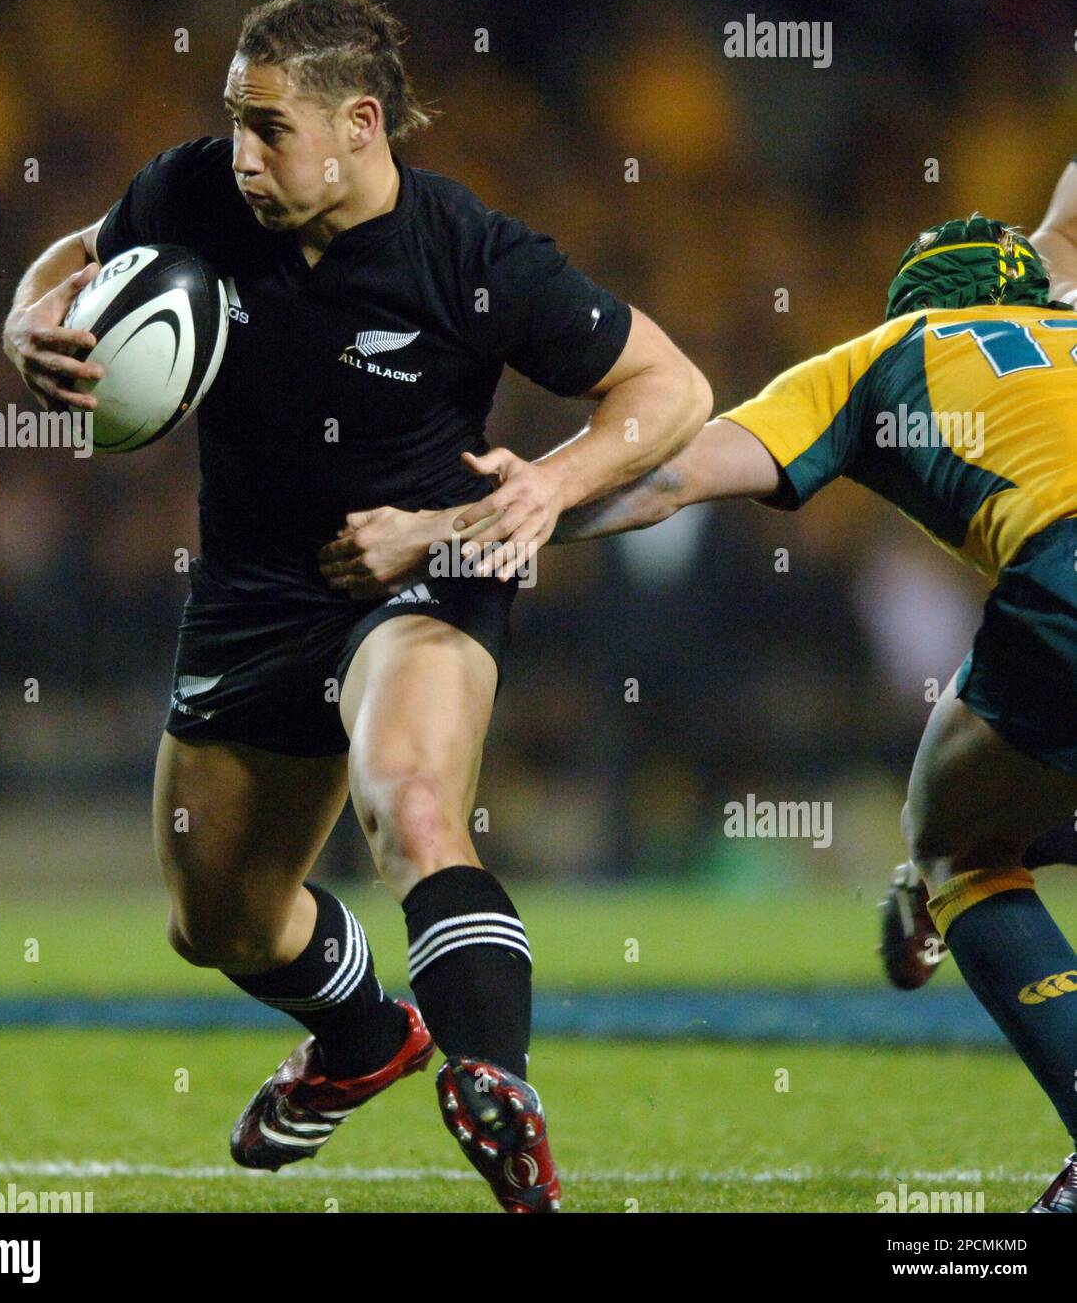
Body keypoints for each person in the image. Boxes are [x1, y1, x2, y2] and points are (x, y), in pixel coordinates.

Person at [1, 0, 711, 1214]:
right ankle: (368, 1036)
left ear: (359, 125)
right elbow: (81, 250)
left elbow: (672, 387)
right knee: (217, 918)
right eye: (236, 120)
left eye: (269, 127)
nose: (243, 153)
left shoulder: (471, 255)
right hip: (251, 590)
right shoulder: (197, 192)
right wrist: (27, 315)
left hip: (424, 571)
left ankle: (495, 1084)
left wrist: (542, 488)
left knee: (413, 800)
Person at [330, 215, 1077, 1212]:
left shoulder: (886, 354)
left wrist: (443, 530)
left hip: (1064, 579)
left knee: (958, 844)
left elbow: (669, 477)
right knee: (977, 809)